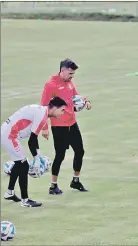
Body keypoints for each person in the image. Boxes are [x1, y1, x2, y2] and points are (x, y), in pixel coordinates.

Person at [1, 97, 67, 207]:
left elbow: (33, 139)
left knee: (19, 164)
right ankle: (25, 200)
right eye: (62, 110)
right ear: (55, 108)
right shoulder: (42, 115)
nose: (62, 113)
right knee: (24, 165)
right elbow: (32, 140)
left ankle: (9, 193)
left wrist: (38, 155)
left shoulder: (41, 112)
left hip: (7, 134)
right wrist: (37, 158)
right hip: (9, 136)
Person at [40, 58, 92, 195]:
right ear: (62, 71)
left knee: (80, 151)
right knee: (60, 155)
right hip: (59, 126)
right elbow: (44, 107)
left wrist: (85, 101)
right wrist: (44, 127)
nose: (72, 76)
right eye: (70, 74)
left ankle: (75, 180)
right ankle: (53, 186)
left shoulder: (69, 83)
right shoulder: (50, 85)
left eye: (73, 74)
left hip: (72, 123)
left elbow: (76, 96)